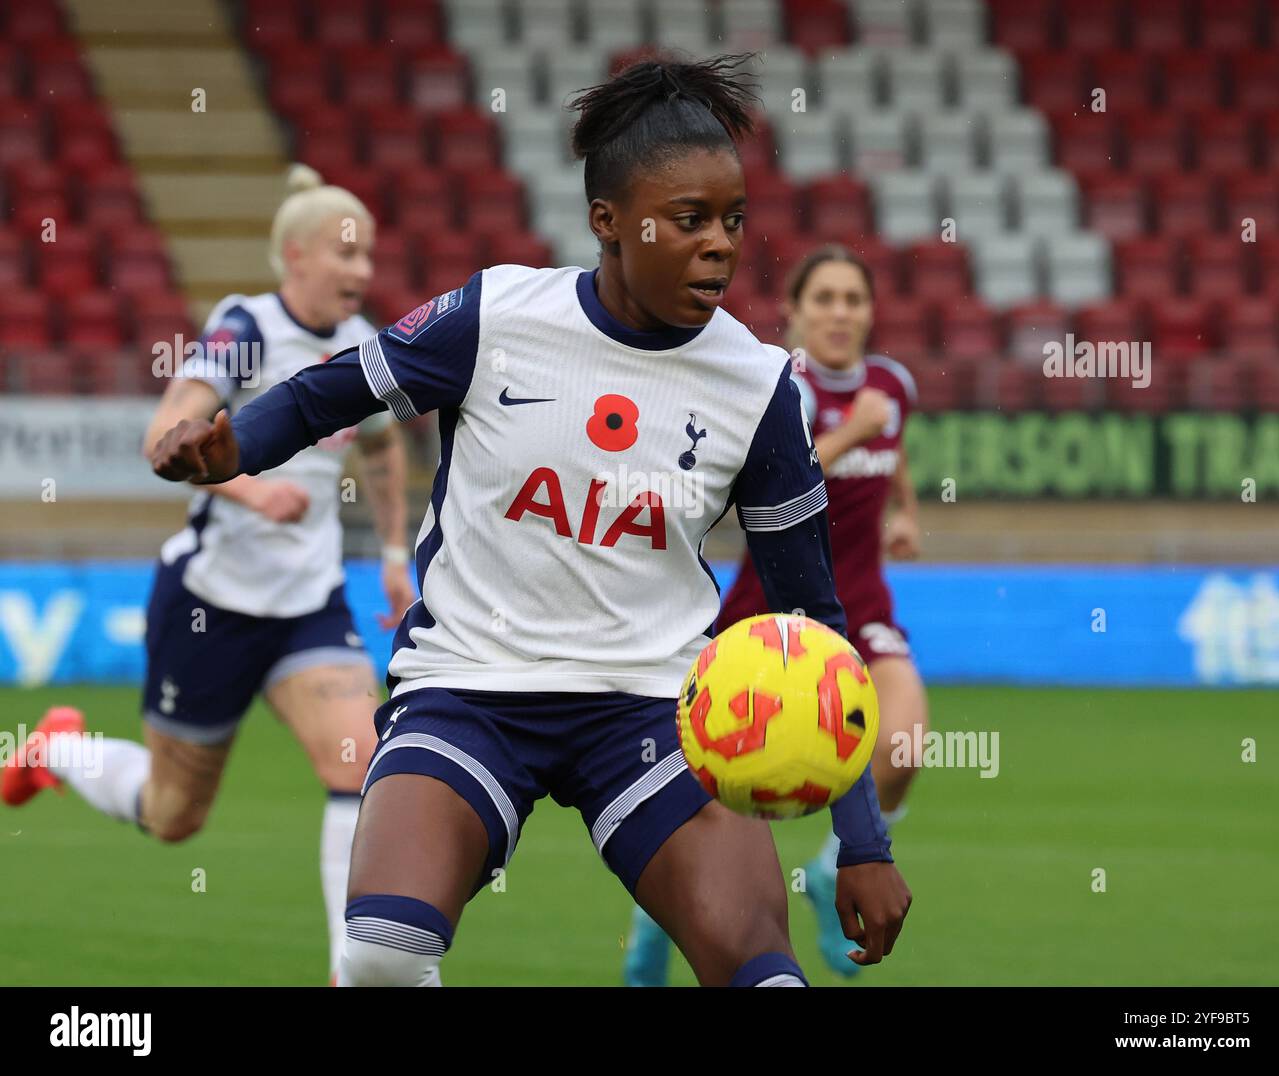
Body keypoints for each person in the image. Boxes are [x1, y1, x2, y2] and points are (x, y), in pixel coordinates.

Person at [148, 56, 911, 988]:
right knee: (381, 959)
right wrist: (235, 448)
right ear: (607, 222)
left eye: (733, 221)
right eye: (689, 220)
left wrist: (862, 840)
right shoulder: (495, 317)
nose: (721, 244)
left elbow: (812, 622)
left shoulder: (758, 387)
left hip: (652, 709)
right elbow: (327, 394)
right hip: (470, 686)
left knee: (767, 980)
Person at [1, 165, 416, 982]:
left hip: (308, 605)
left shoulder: (360, 345)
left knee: (359, 762)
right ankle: (62, 750)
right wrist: (252, 488)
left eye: (369, 256)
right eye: (348, 254)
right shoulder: (244, 329)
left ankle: (352, 971)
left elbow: (381, 445)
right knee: (172, 815)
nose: (364, 273)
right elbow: (166, 428)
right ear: (296, 255)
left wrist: (397, 554)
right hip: (211, 602)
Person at [624, 243, 927, 983]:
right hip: (770, 619)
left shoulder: (892, 386)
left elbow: (896, 455)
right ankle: (654, 921)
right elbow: (763, 481)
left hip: (863, 604)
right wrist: (854, 430)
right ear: (794, 311)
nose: (840, 313)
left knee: (907, 744)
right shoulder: (774, 384)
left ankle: (829, 870)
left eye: (853, 299)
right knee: (717, 797)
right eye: (823, 298)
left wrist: (906, 512)